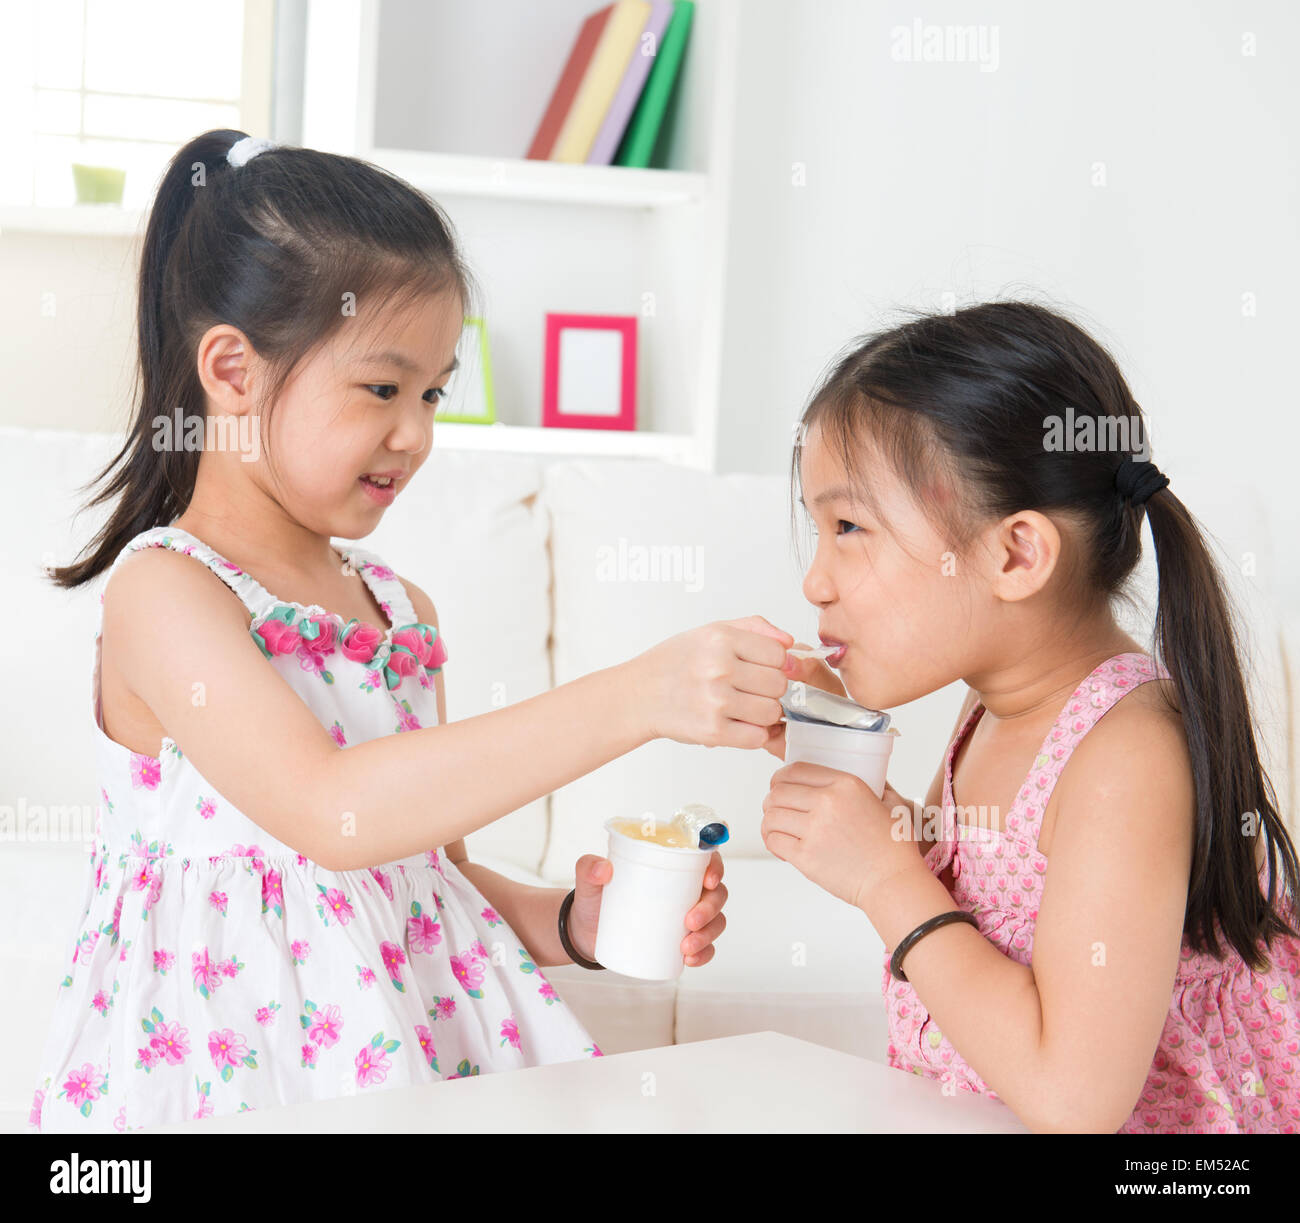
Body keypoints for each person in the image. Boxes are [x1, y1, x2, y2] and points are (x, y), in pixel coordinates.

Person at [29, 130, 793, 1132]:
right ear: (232, 369)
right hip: (229, 1080)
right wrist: (638, 692)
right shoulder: (167, 593)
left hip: (405, 1050)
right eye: (383, 388)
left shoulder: (398, 611)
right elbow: (332, 811)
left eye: (433, 392)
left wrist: (573, 919)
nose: (417, 433)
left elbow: (430, 871)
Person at [765, 300, 1300, 1133]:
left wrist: (883, 878)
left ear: (1015, 554)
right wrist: (853, 781)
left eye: (848, 527)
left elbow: (1075, 1097)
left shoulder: (1126, 755)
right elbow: (993, 884)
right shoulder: (997, 703)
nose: (816, 581)